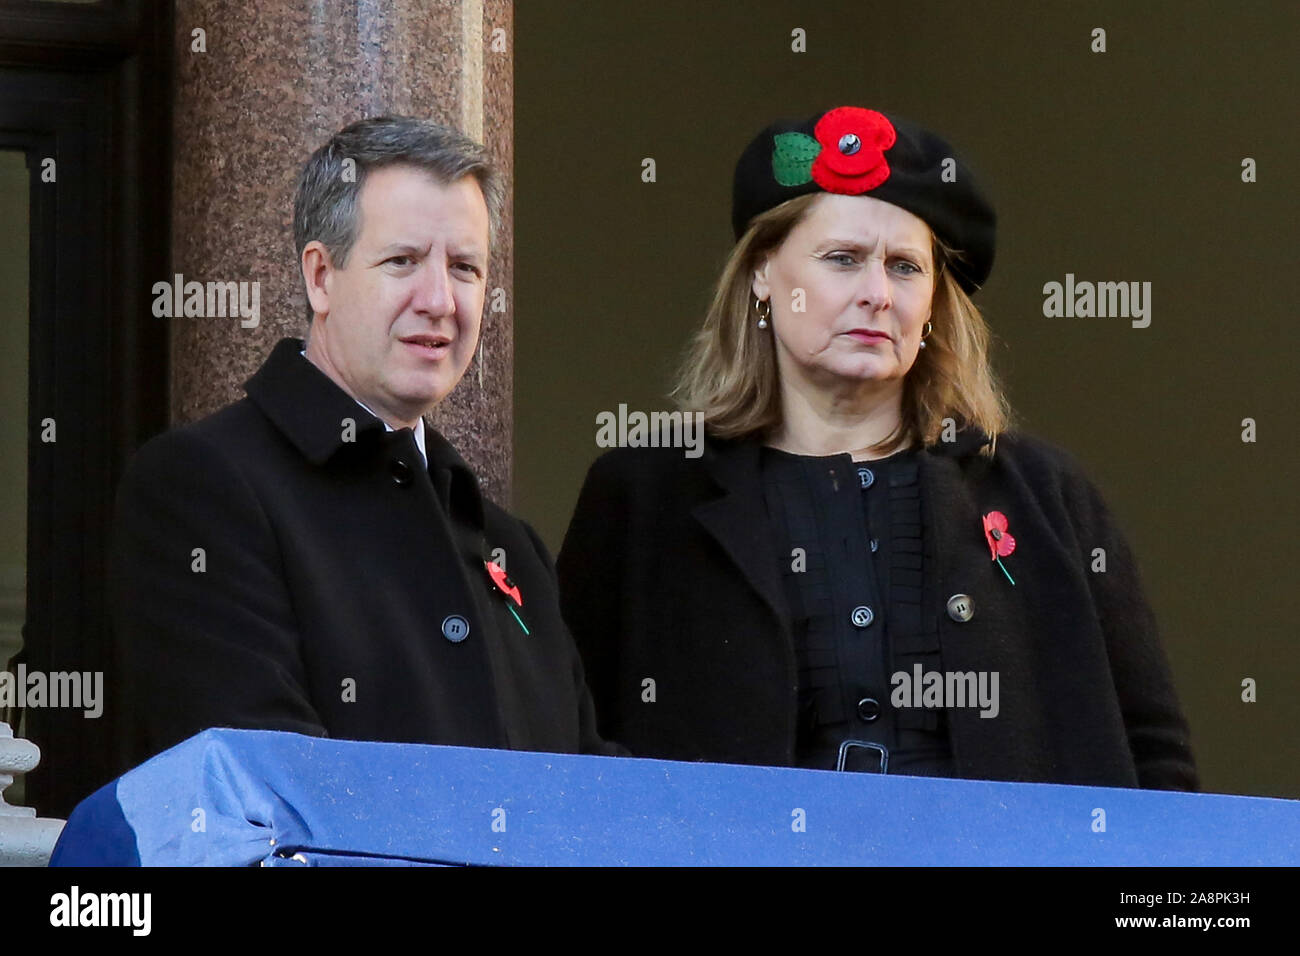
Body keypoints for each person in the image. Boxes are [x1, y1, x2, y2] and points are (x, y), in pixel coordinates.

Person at [557, 106, 1197, 789]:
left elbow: (1154, 753)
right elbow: (564, 737)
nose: (876, 295)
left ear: (933, 304)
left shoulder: (1041, 494)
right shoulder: (646, 495)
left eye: (904, 268)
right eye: (843, 260)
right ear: (761, 276)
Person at [111, 116, 622, 771]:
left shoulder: (510, 548)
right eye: (403, 262)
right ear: (321, 276)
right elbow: (267, 787)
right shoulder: (201, 486)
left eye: (464, 267)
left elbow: (586, 788)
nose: (440, 300)